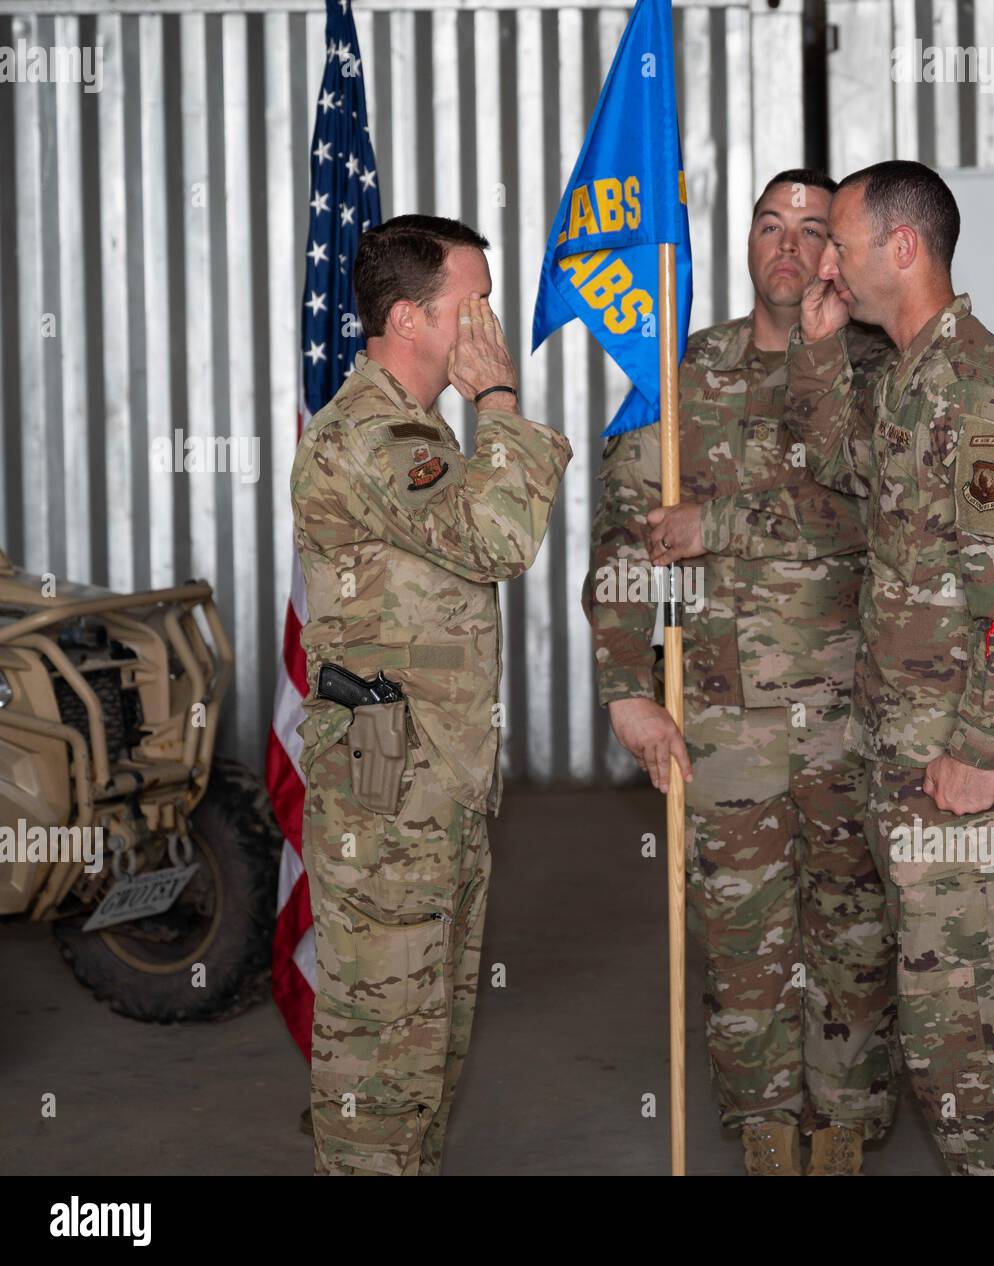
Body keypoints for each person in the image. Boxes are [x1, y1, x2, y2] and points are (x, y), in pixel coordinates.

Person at [586, 170, 899, 1175]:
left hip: (858, 717)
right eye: (771, 224)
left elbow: (880, 514)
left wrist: (718, 525)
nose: (789, 244)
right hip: (721, 720)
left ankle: (843, 1132)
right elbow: (626, 537)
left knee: (855, 930)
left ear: (838, 256)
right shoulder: (683, 375)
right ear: (748, 243)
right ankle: (765, 1137)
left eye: (813, 230)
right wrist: (626, 687)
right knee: (740, 940)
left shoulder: (878, 372)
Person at [786, 160, 994, 1176]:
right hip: (899, 754)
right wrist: (818, 356)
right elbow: (839, 467)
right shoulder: (904, 375)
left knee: (962, 1043)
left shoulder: (978, 388)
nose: (826, 264)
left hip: (956, 772)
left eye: (841, 245)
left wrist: (983, 750)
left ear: (902, 248)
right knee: (942, 1022)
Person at [291, 214, 572, 1175]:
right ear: (410, 320)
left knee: (427, 1044)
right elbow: (498, 539)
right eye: (474, 304)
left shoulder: (422, 437)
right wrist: (500, 398)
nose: (488, 323)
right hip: (388, 797)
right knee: (382, 1051)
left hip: (434, 780)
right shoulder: (372, 440)